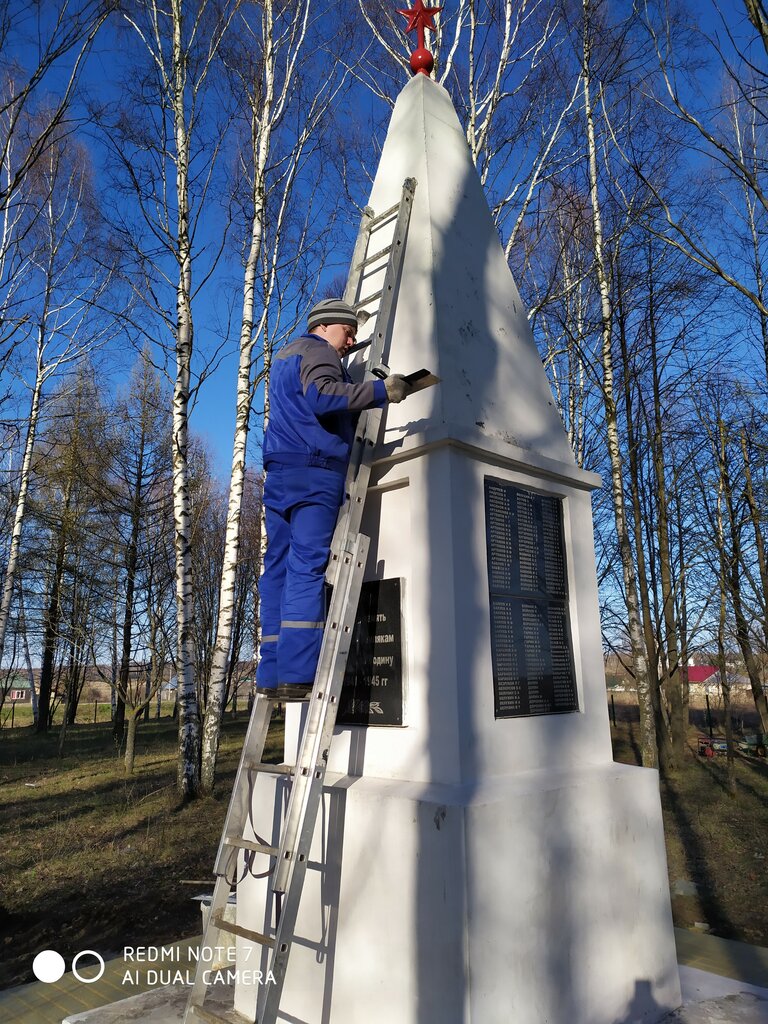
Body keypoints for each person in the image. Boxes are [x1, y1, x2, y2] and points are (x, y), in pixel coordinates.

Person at [256, 299, 415, 701]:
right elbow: (322, 396)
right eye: (348, 331)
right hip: (314, 473)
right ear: (325, 326)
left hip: (280, 475)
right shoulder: (320, 351)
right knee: (307, 566)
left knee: (276, 569)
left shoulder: (285, 357)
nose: (351, 341)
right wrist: (381, 390)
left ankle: (271, 672)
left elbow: (311, 409)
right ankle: (297, 673)